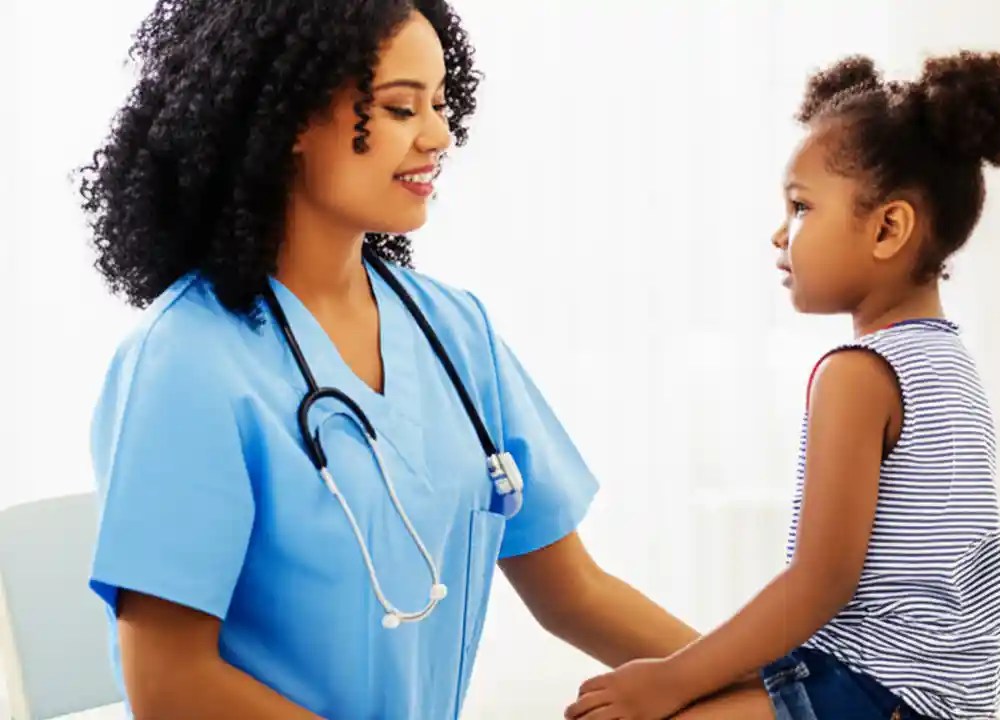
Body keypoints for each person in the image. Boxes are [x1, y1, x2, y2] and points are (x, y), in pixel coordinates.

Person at [79, 2, 701, 718]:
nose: (440, 135)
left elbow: (573, 591)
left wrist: (768, 684)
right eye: (402, 107)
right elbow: (170, 685)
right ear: (289, 120)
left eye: (440, 103)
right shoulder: (186, 361)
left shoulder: (451, 329)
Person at [566, 51, 1000, 720]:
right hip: (945, 697)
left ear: (888, 227)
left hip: (875, 694)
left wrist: (668, 681)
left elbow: (819, 582)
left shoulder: (858, 373)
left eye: (801, 207)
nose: (781, 234)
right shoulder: (949, 364)